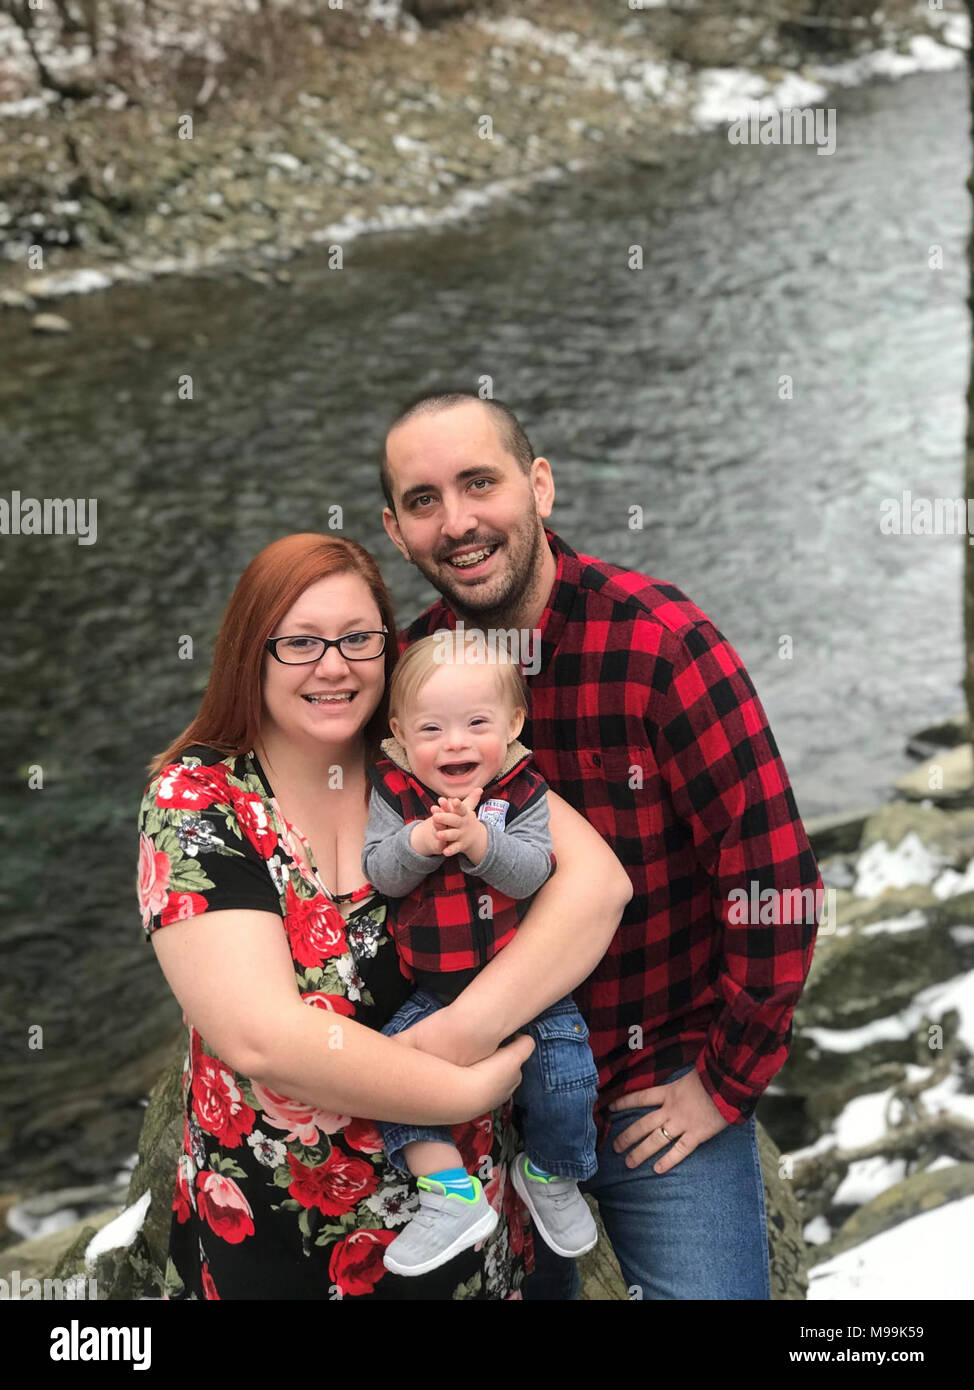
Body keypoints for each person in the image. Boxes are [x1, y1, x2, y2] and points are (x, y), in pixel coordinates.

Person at [377, 391, 825, 1301]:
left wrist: (724, 1081)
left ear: (539, 486)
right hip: (491, 1098)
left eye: (480, 483)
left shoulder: (660, 644)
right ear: (395, 529)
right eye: (424, 500)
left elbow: (773, 877)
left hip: (650, 1076)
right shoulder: (410, 676)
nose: (457, 522)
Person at [138, 531, 631, 1300]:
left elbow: (596, 886)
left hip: (470, 1219)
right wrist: (460, 1091)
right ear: (250, 652)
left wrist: (467, 1031)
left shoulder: (420, 748)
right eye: (299, 643)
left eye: (358, 639)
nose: (333, 667)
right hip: (289, 1232)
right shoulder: (200, 799)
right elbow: (262, 1038)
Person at [361, 635, 599, 1277]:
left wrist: (479, 842)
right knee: (384, 1074)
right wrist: (417, 841)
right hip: (436, 990)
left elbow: (531, 873)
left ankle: (551, 1172)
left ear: (513, 724)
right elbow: (381, 872)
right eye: (431, 728)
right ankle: (450, 1194)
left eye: (477, 724)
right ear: (401, 733)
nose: (455, 743)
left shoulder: (523, 791)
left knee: (567, 1069)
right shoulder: (395, 793)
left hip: (526, 985)